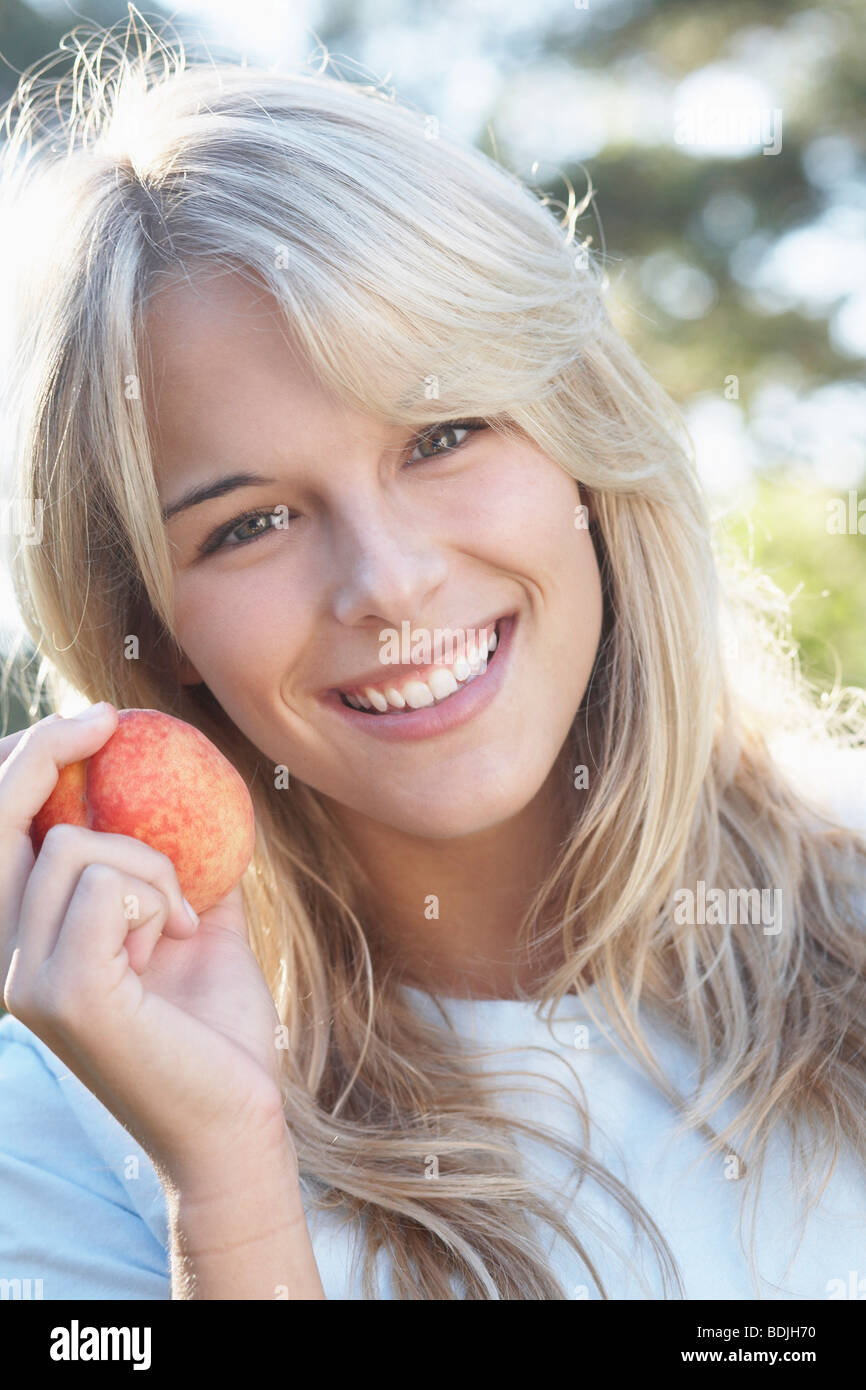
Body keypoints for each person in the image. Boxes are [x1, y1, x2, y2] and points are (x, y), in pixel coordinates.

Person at [1, 16, 865, 1302]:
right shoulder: (64, 1116)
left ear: (580, 435)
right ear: (152, 628)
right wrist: (227, 1184)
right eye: (249, 524)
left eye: (443, 431)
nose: (388, 578)